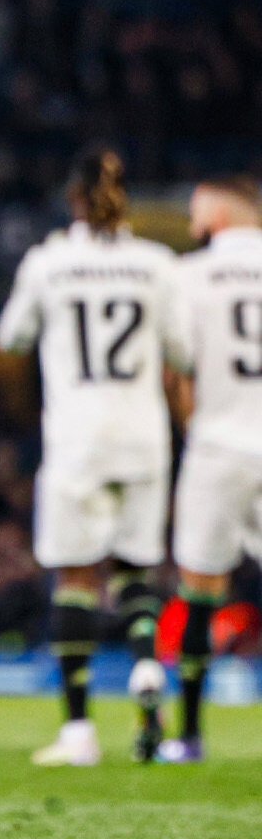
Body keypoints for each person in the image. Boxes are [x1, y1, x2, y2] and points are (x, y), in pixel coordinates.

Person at [0, 148, 188, 765]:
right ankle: (146, 666)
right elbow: (183, 352)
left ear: (73, 200)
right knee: (135, 570)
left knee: (76, 577)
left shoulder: (50, 262)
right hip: (143, 437)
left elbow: (11, 336)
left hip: (77, 438)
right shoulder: (158, 265)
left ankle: (79, 732)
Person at [158, 177, 262, 763]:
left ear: (219, 211)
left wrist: (194, 425)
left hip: (219, 446)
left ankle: (190, 735)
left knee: (201, 590)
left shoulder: (190, 275)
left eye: (197, 208)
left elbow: (178, 367)